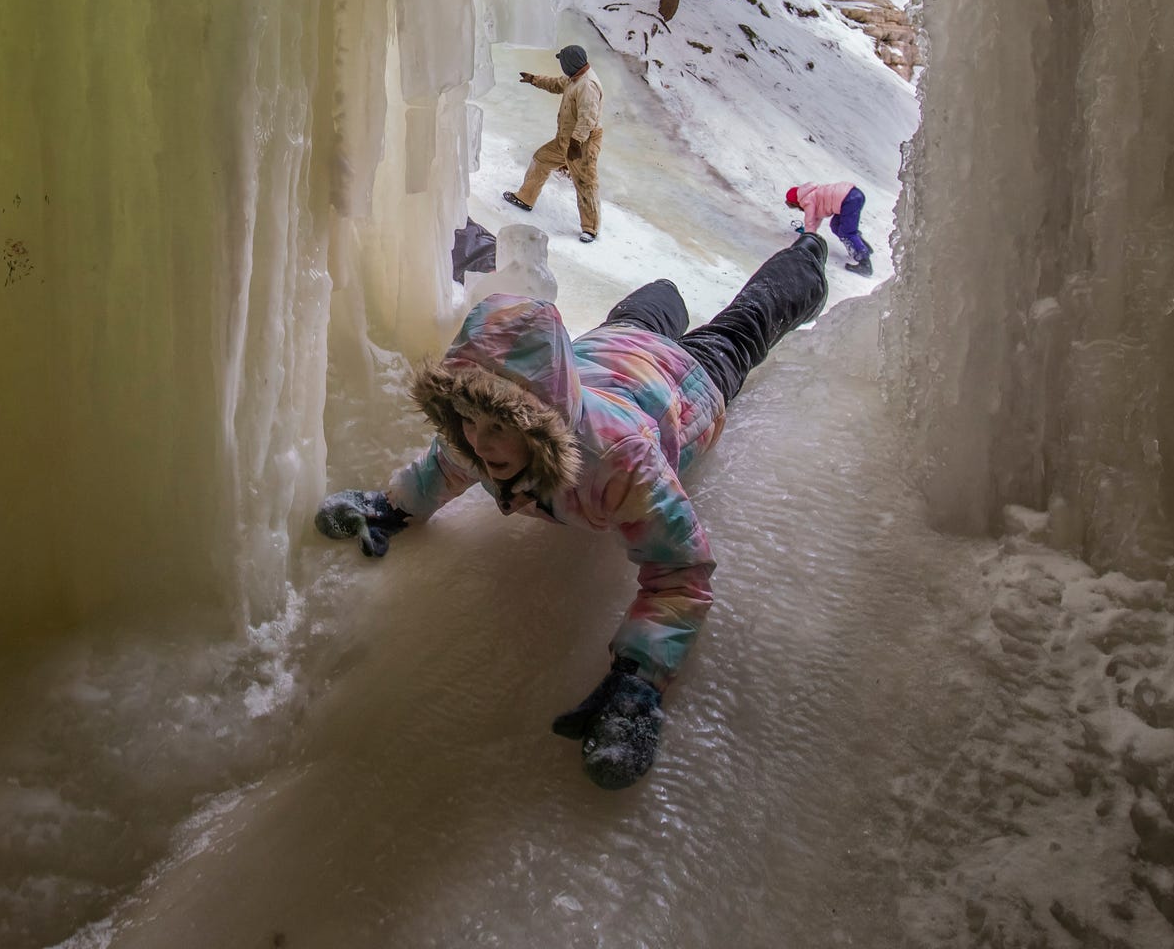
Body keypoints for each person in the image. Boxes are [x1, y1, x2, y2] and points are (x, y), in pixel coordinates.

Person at [315, 233, 830, 791]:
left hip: (681, 379)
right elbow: (443, 467)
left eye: (497, 428)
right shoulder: (480, 437)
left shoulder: (619, 463)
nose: (479, 442)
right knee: (648, 306)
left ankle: (807, 256)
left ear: (539, 425)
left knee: (744, 327)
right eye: (466, 419)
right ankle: (668, 295)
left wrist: (639, 681)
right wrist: (392, 508)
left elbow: (679, 573)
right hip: (609, 348)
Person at [503, 44, 603, 242]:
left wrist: (576, 143)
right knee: (541, 159)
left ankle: (590, 228)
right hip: (566, 139)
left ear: (569, 63)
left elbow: (588, 119)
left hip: (582, 142)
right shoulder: (574, 78)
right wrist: (534, 80)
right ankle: (525, 198)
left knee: (585, 182)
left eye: (562, 61)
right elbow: (557, 84)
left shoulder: (587, 86)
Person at [786, 182, 872, 274]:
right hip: (852, 195)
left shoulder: (807, 201)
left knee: (847, 232)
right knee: (835, 226)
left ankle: (865, 263)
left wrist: (807, 239)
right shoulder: (810, 192)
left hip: (849, 200)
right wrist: (809, 232)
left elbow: (810, 222)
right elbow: (816, 219)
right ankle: (861, 246)